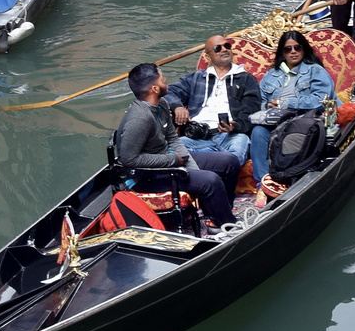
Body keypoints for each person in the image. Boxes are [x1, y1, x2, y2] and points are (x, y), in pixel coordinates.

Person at [114, 63, 239, 227]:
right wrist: (173, 160)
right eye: (162, 79)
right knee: (211, 180)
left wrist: (189, 165)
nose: (165, 80)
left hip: (169, 160)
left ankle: (216, 216)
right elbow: (128, 160)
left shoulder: (163, 104)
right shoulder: (140, 119)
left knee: (229, 162)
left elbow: (172, 137)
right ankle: (228, 224)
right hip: (145, 176)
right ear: (155, 89)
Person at [251, 30, 335, 188]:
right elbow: (260, 101)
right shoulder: (271, 74)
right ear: (282, 53)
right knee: (258, 131)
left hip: (306, 120)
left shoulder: (315, 70)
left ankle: (291, 179)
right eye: (288, 49)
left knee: (294, 133)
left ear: (304, 49)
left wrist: (286, 103)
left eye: (298, 47)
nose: (293, 52)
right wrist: (269, 106)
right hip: (277, 121)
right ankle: (264, 184)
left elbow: (321, 100)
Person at [162, 34, 261, 167]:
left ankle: (208, 163)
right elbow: (169, 91)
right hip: (197, 136)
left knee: (238, 147)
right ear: (208, 57)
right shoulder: (196, 78)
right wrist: (177, 107)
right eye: (217, 48)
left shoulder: (246, 79)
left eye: (227, 46)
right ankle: (209, 162)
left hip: (231, 136)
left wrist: (235, 126)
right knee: (167, 151)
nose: (224, 50)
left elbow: (251, 112)